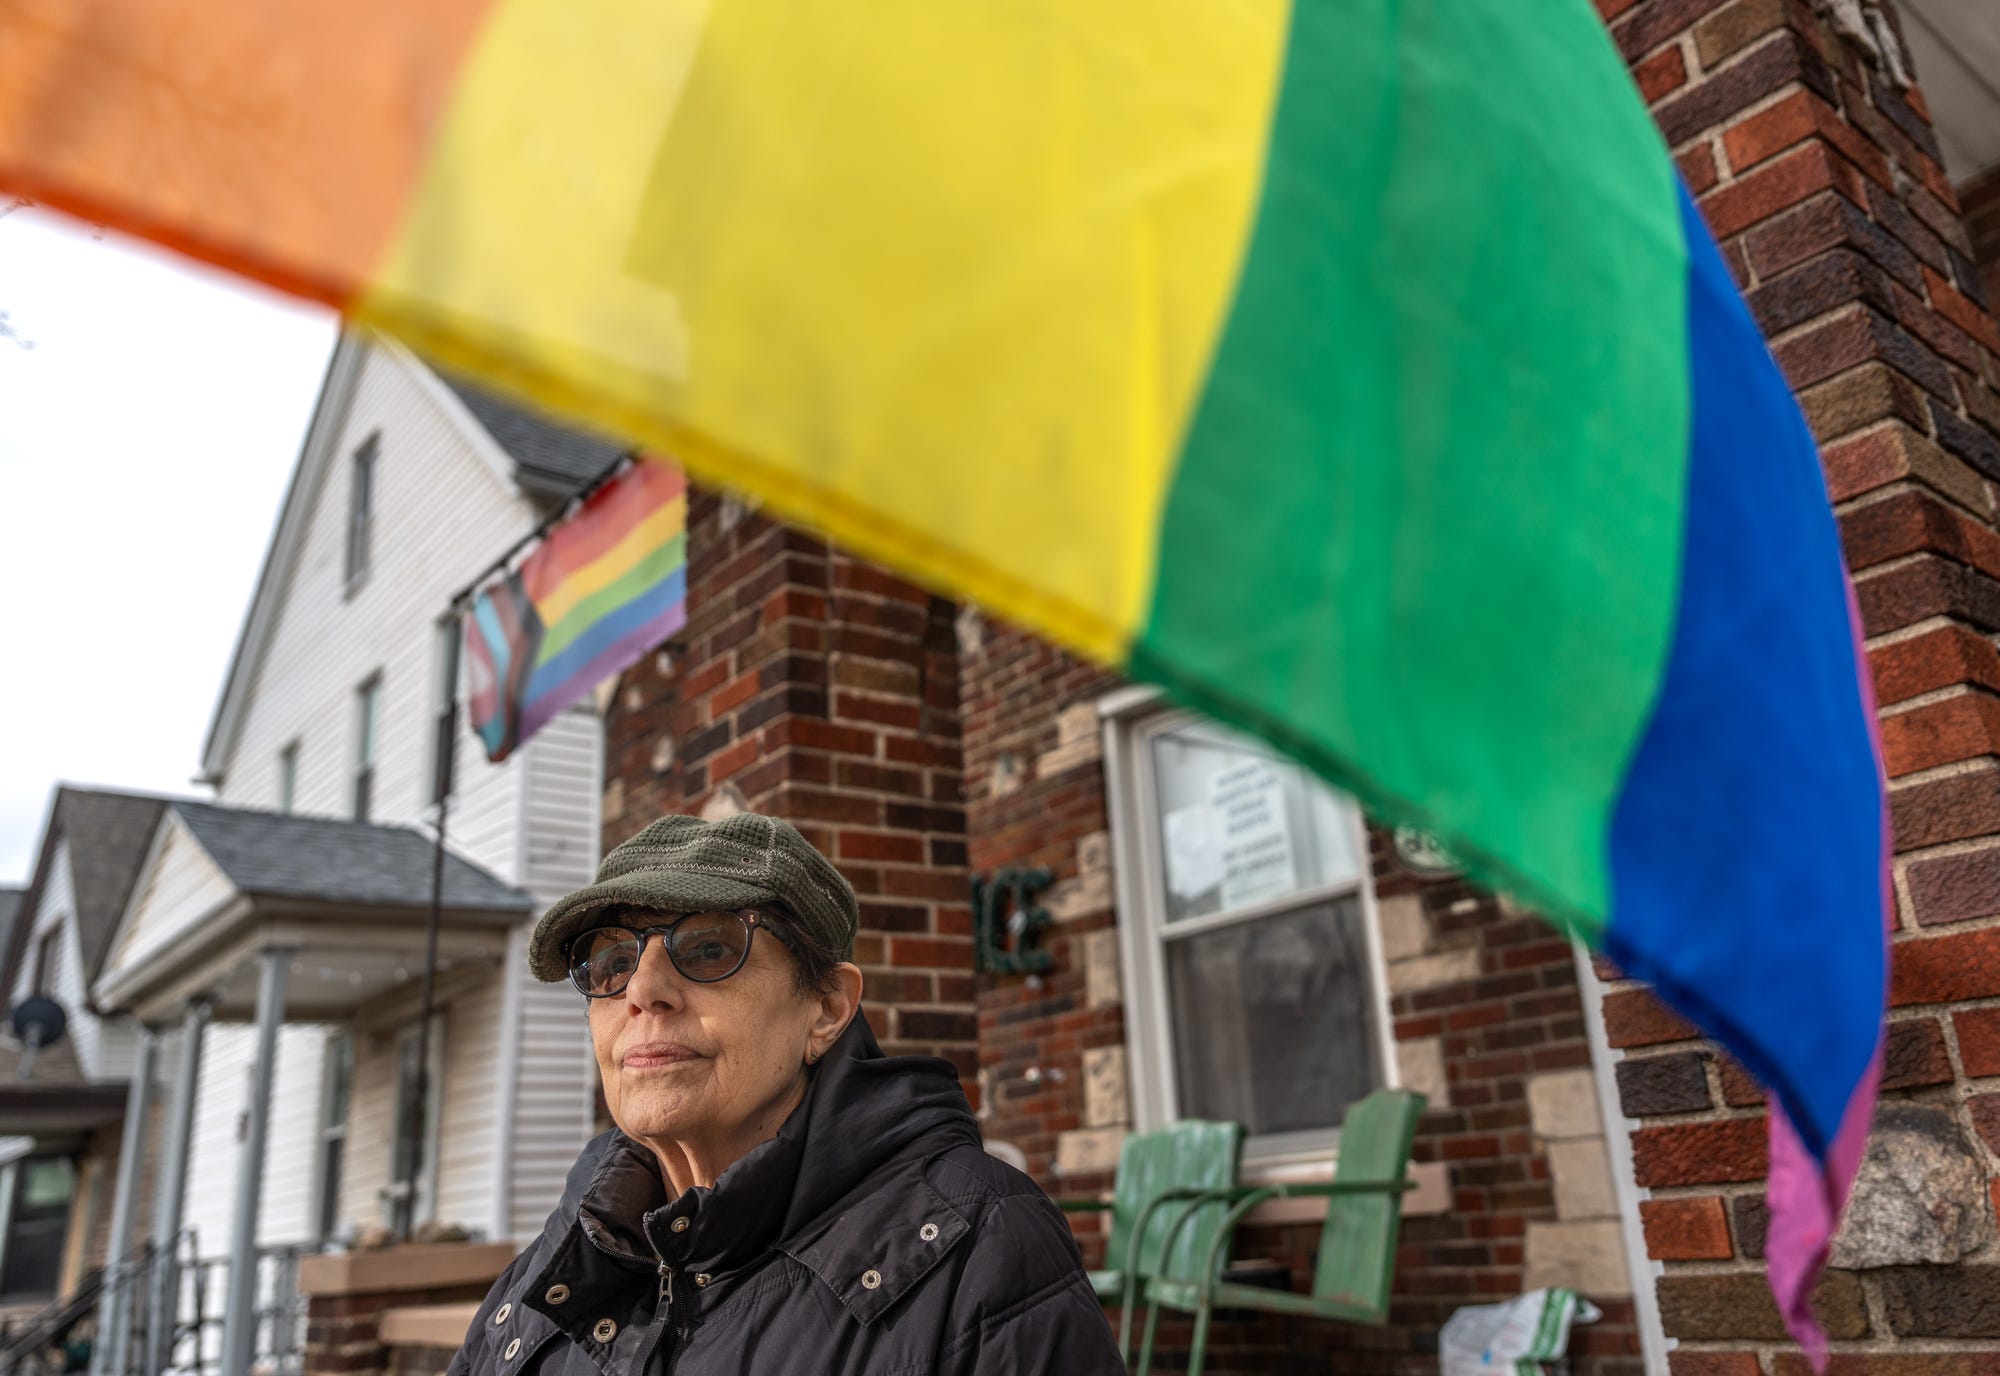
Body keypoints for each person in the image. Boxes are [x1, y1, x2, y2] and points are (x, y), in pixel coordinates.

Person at [451, 811, 1123, 1376]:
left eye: (710, 950)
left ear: (826, 1009)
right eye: (612, 961)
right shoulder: (569, 1248)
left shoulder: (982, 1247)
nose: (641, 990)